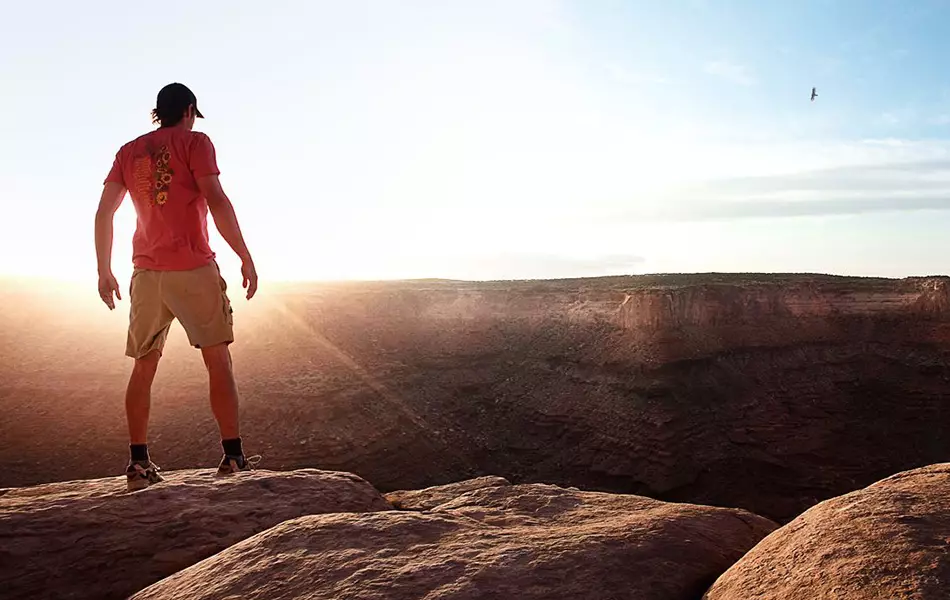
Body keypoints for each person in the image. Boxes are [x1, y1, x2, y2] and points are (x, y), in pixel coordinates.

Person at [94, 83, 259, 491]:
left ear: (157, 113)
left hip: (146, 273)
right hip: (193, 267)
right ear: (188, 110)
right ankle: (233, 457)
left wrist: (104, 269)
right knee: (217, 359)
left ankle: (138, 463)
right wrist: (244, 255)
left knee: (143, 365)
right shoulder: (196, 142)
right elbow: (217, 200)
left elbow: (104, 212)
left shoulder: (128, 151)